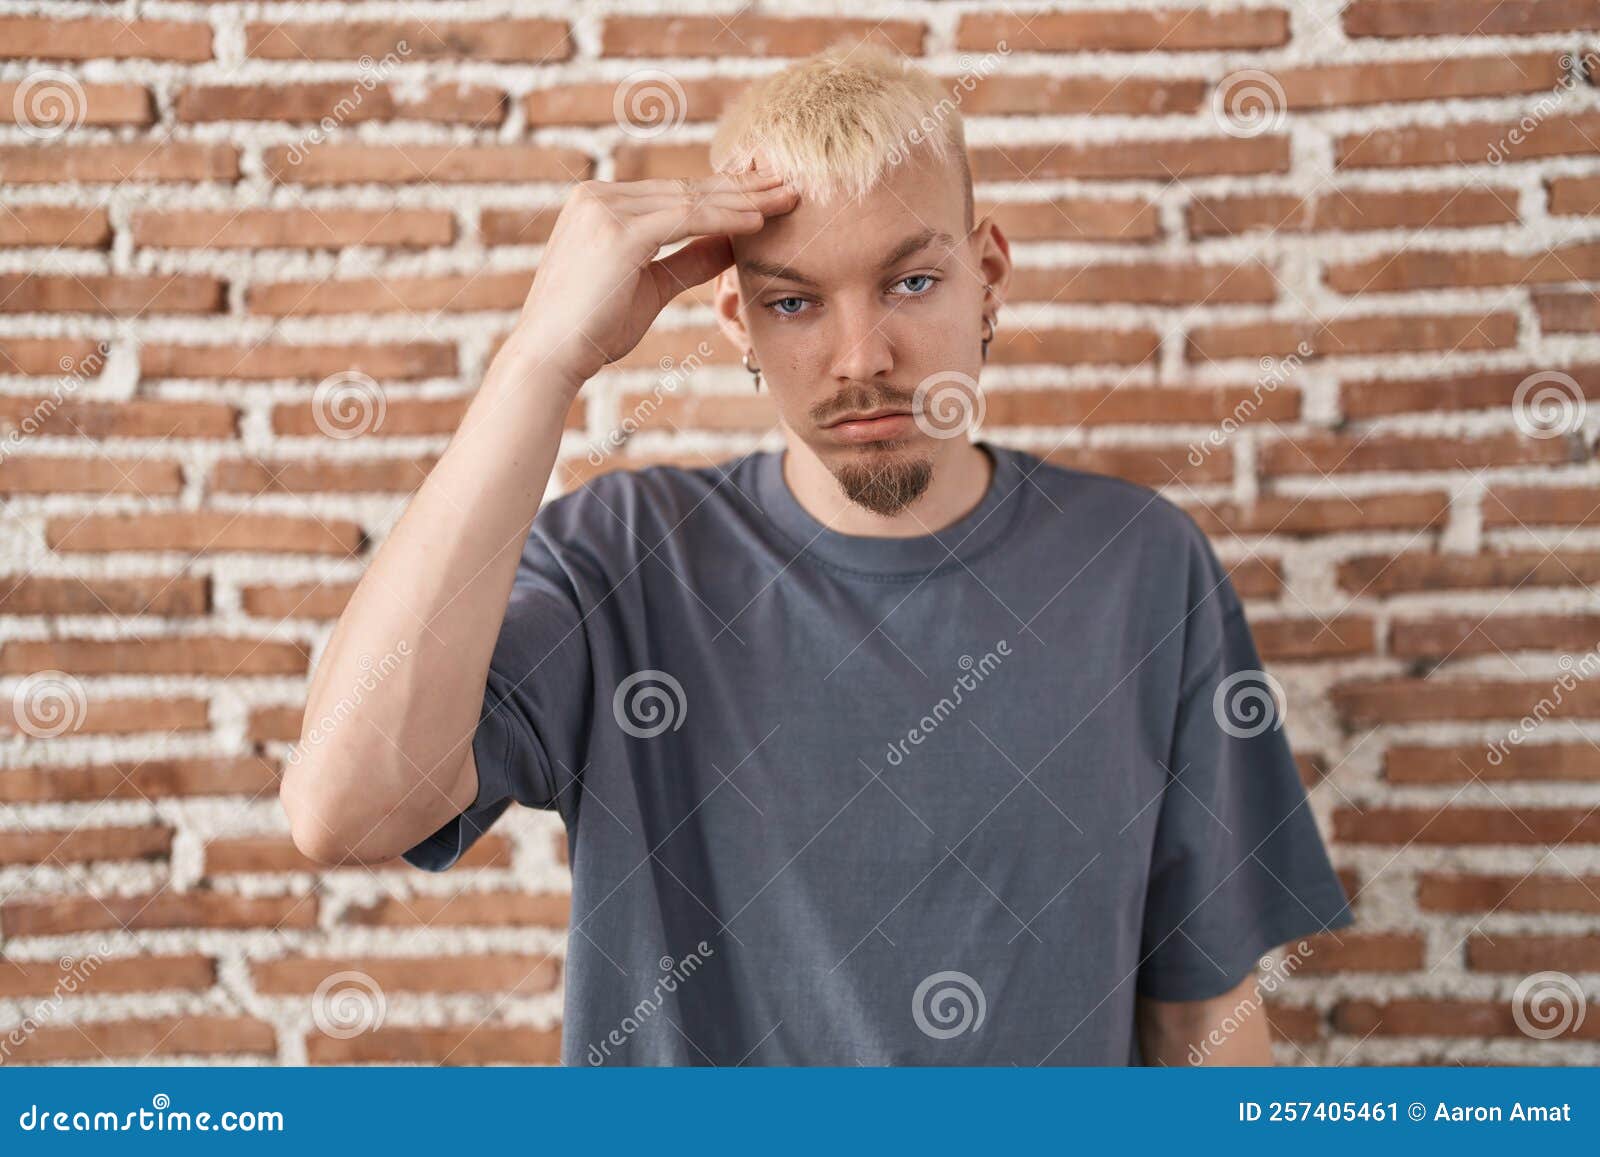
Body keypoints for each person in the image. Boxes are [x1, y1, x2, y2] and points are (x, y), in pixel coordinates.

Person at [280, 39, 1353, 1066]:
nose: (860, 359)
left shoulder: (1138, 566)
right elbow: (346, 806)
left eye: (911, 283)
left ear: (989, 272)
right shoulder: (624, 561)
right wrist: (540, 359)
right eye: (793, 302)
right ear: (737, 320)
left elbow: (1201, 1013)